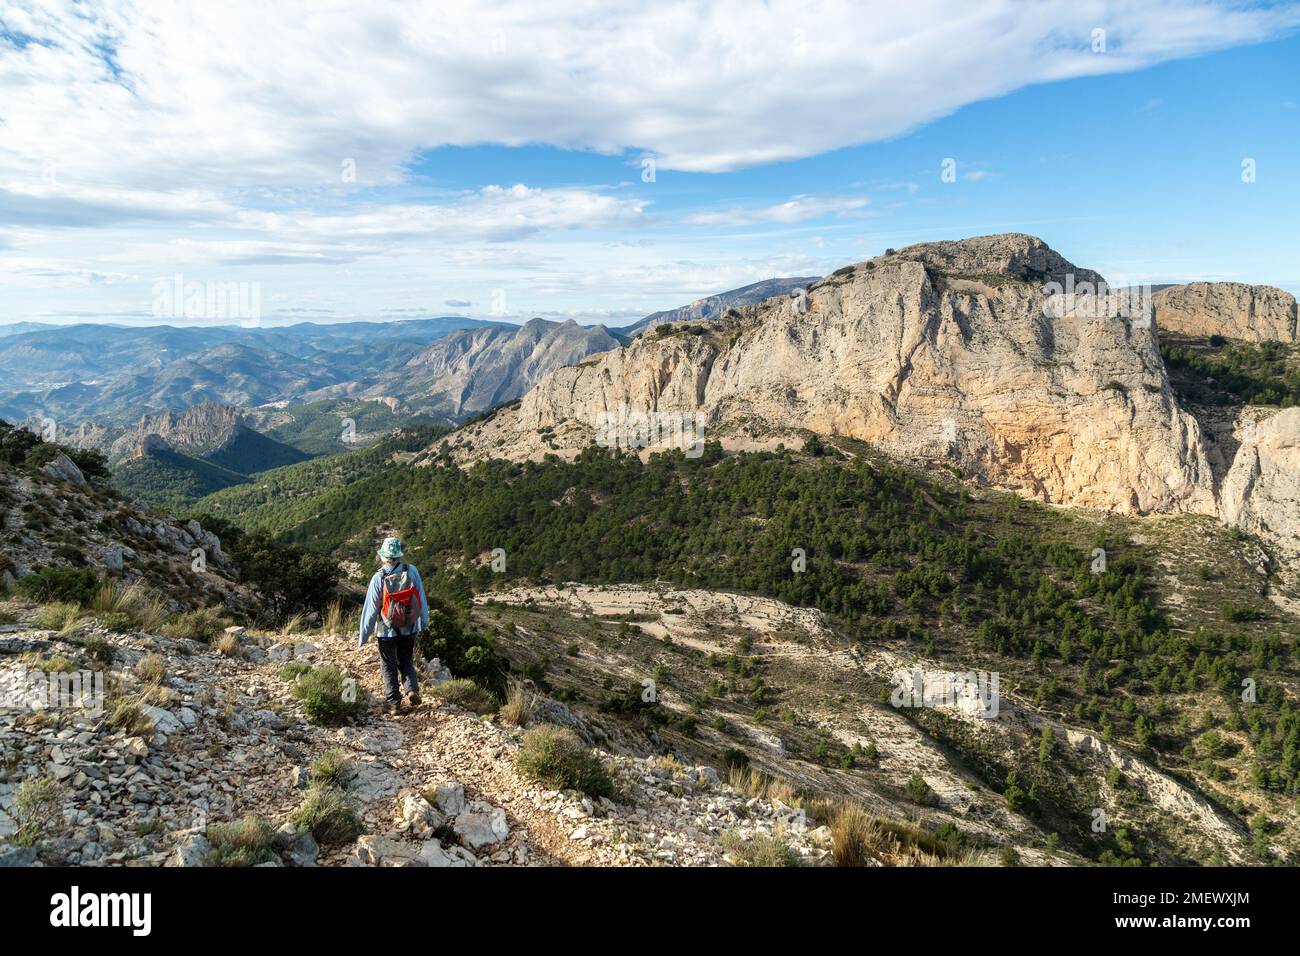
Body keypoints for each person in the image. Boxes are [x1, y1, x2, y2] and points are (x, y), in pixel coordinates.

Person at [358, 537, 429, 714]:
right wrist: (424, 623)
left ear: (383, 556)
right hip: (409, 627)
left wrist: (363, 637)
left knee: (388, 665)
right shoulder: (412, 571)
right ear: (399, 556)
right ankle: (412, 690)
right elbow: (421, 599)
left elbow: (371, 610)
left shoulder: (378, 578)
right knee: (406, 659)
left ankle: (394, 703)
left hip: (385, 631)